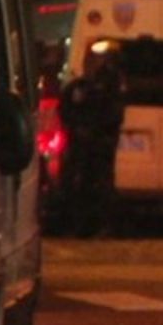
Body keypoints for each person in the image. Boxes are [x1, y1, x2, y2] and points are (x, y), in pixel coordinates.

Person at [59, 53, 125, 237]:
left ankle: (101, 226)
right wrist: (77, 127)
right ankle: (78, 226)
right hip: (81, 148)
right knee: (78, 186)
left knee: (101, 186)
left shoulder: (108, 88)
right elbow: (65, 109)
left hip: (100, 147)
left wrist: (96, 131)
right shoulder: (79, 88)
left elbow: (113, 114)